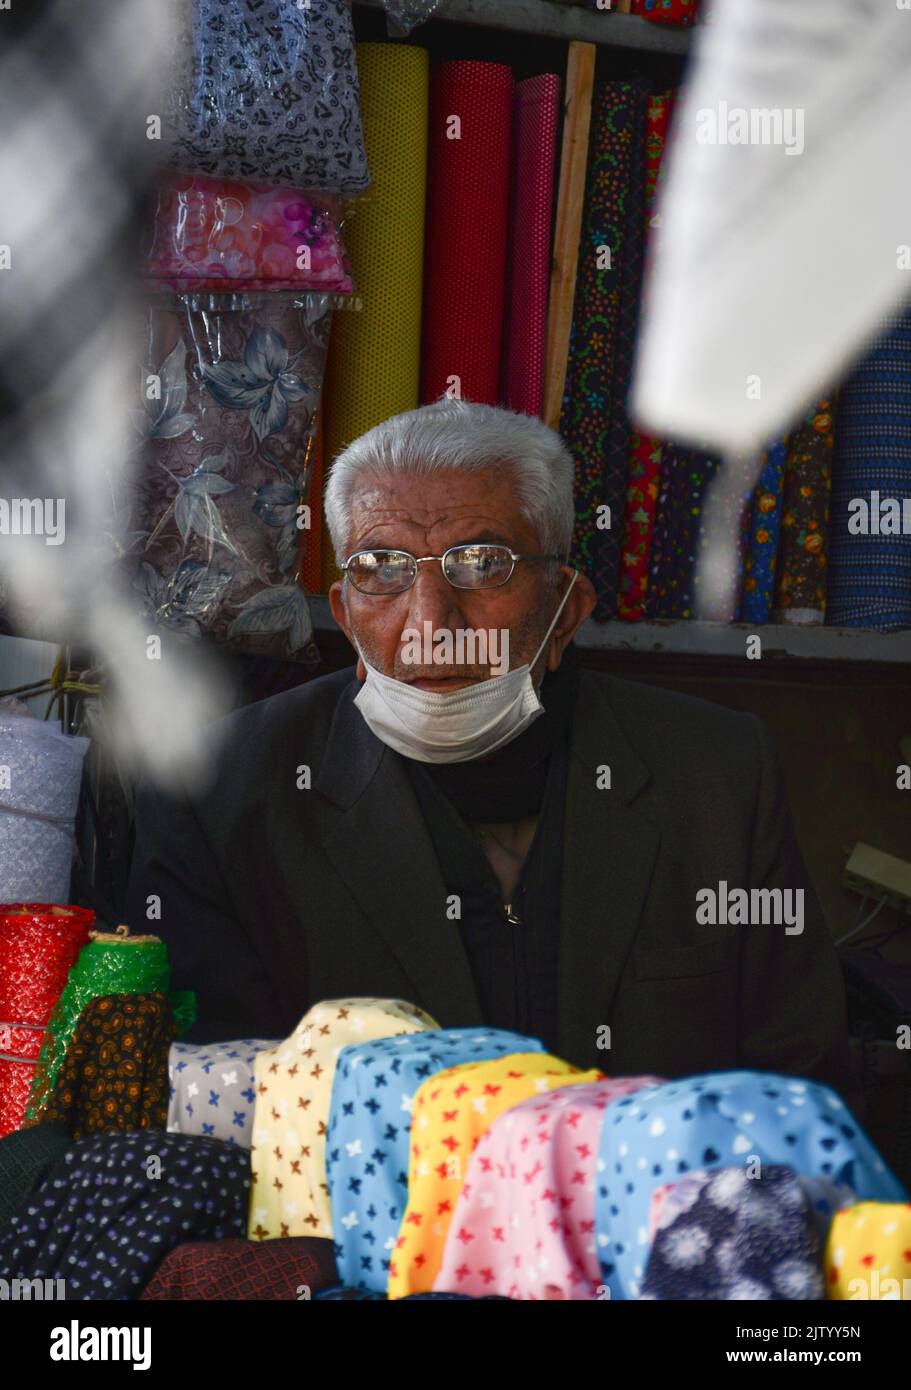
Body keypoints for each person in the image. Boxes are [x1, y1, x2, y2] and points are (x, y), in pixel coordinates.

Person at [125, 397, 854, 1102]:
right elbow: (208, 1105)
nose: (430, 621)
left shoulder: (714, 773)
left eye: (481, 564)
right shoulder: (218, 791)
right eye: (381, 566)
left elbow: (796, 1086)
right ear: (345, 620)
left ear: (564, 610)